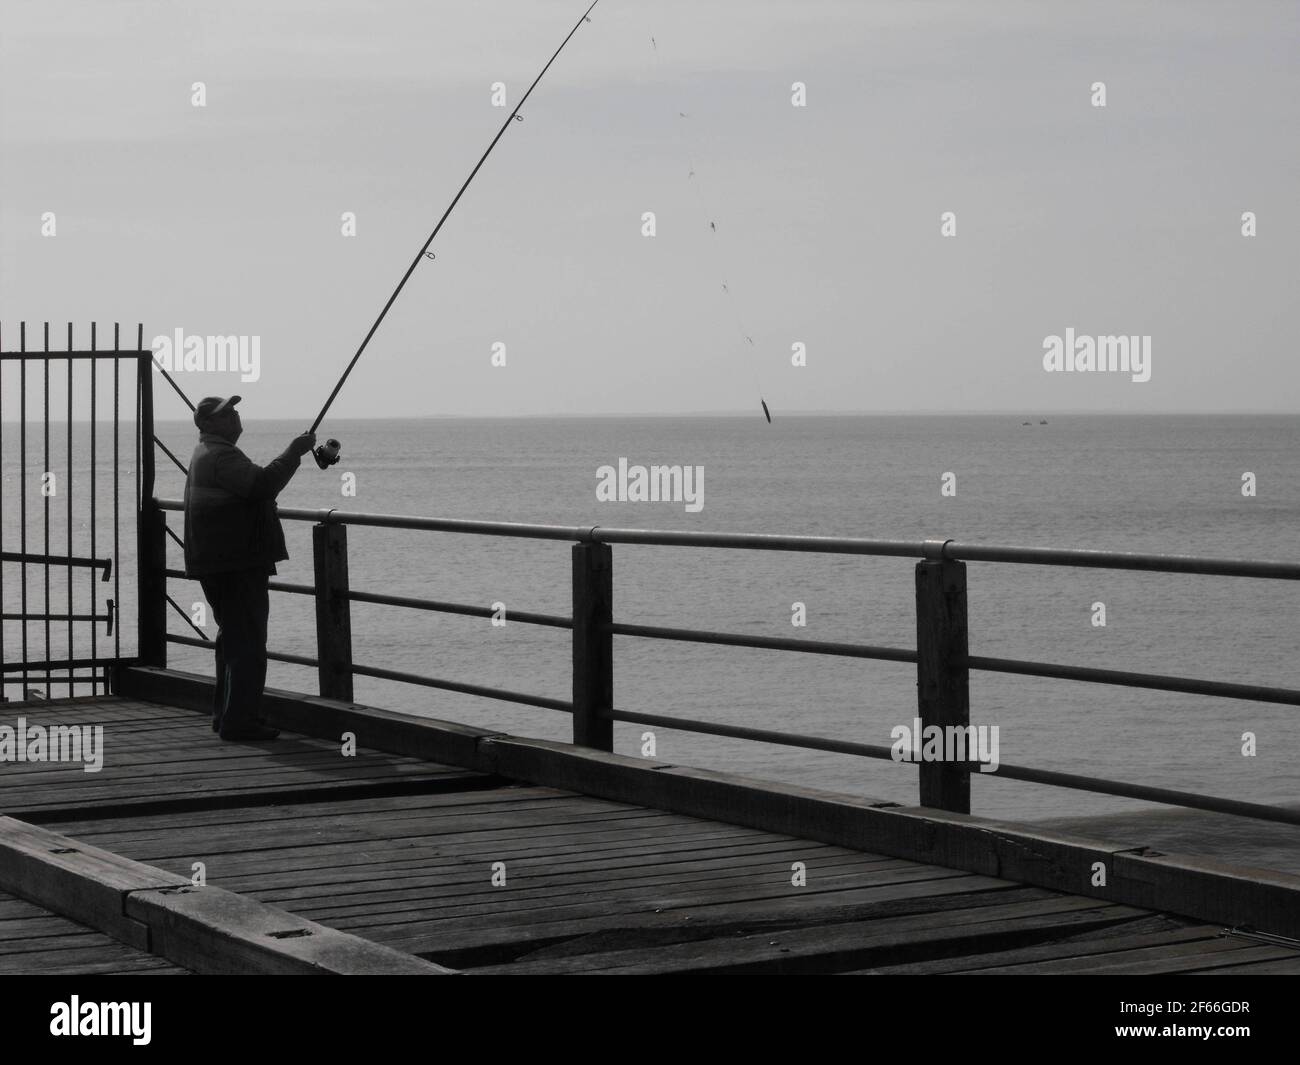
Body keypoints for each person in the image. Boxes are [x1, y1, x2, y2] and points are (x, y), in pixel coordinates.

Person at [183, 396, 315, 740]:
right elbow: (262, 485)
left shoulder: (207, 453)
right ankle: (239, 722)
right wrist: (294, 452)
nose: (235, 415)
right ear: (209, 424)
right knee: (249, 643)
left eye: (234, 410)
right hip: (234, 563)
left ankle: (226, 715)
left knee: (233, 639)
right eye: (227, 412)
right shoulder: (221, 455)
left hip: (220, 561)